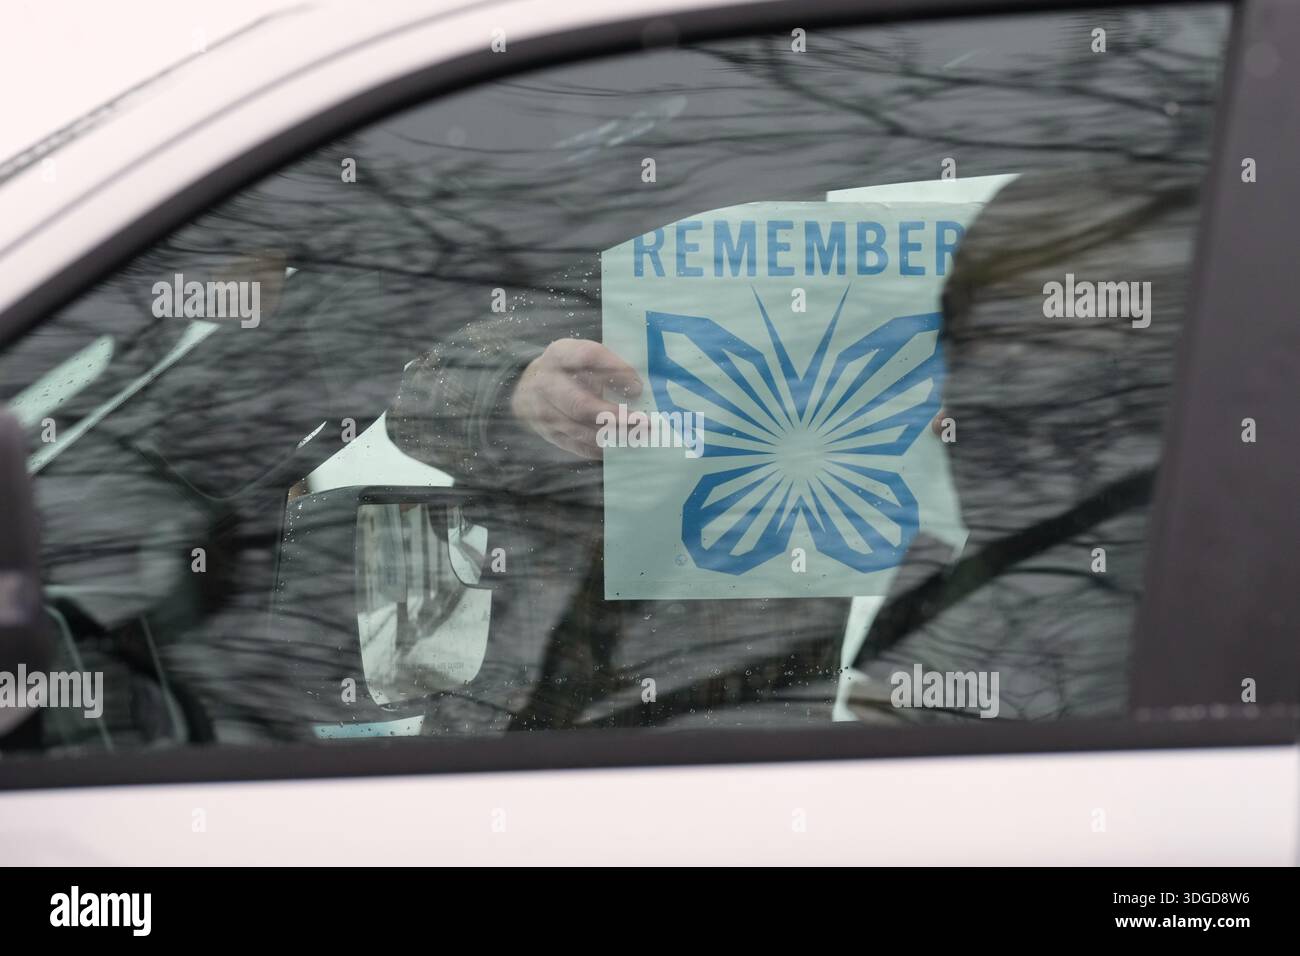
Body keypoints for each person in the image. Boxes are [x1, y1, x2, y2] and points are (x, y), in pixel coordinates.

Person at [387, 162, 1197, 731]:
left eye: (1096, 312)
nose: (1048, 337)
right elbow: (417, 386)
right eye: (1024, 296)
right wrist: (514, 390)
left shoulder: (1147, 503)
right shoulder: (774, 284)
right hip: (617, 759)